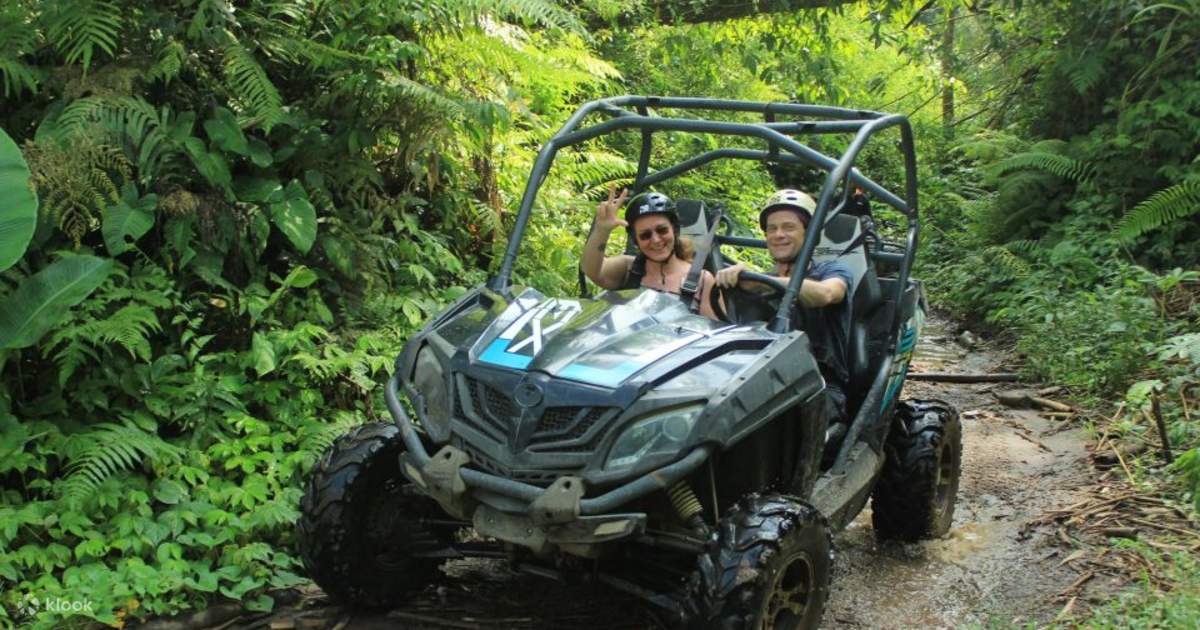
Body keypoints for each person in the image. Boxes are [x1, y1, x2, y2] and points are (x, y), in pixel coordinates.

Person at [714, 189, 854, 422]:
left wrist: (762, 283)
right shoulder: (760, 280)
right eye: (772, 228)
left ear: (809, 234)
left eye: (788, 227)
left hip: (819, 386)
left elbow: (828, 293)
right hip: (760, 380)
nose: (778, 234)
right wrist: (737, 279)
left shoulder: (832, 271)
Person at [581, 186, 721, 319]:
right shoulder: (628, 268)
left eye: (662, 230)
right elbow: (591, 270)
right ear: (636, 240)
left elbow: (714, 333)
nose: (655, 240)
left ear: (674, 229)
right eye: (645, 235)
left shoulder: (701, 280)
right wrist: (602, 231)